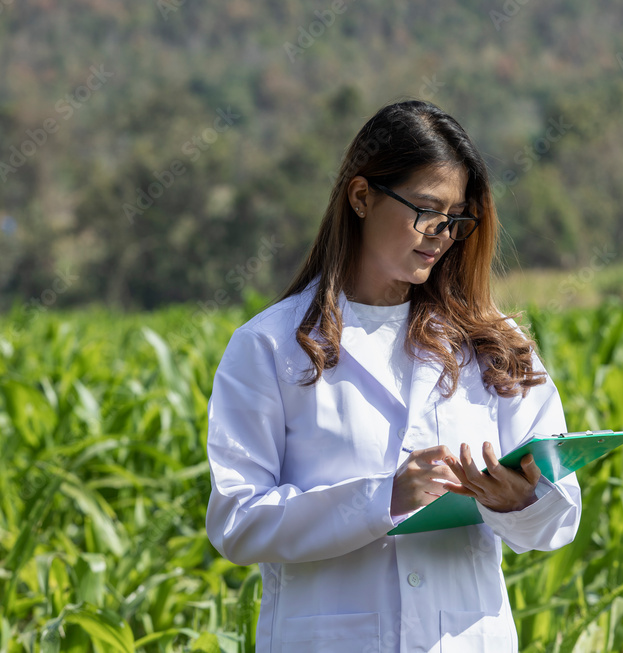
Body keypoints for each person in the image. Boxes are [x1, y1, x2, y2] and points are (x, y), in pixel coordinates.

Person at [205, 99, 581, 653]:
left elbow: (557, 518)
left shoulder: (496, 344)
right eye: (425, 212)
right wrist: (384, 499)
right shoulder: (269, 346)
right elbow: (237, 521)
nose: (440, 235)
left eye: (455, 221)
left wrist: (518, 501)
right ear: (361, 197)